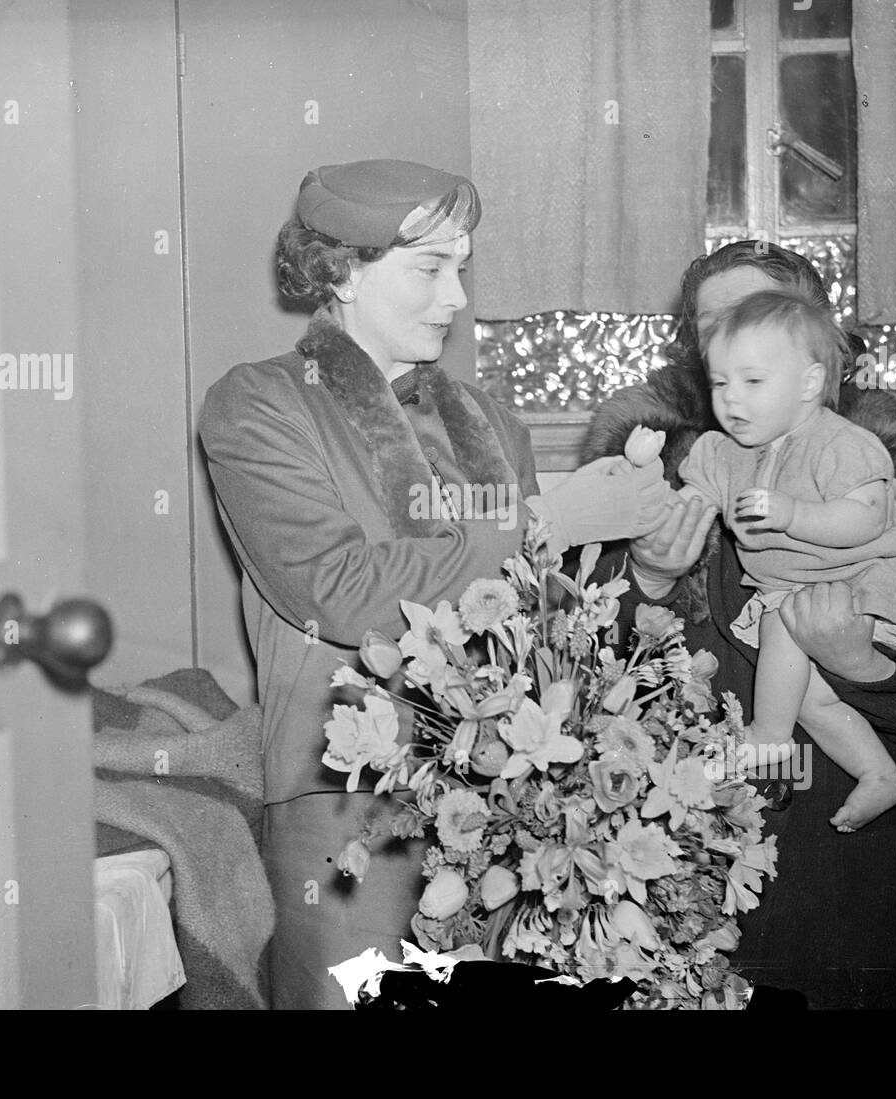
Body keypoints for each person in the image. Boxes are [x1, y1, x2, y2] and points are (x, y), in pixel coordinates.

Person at [199, 159, 669, 1009]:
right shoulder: (257, 405)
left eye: (462, 268)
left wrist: (647, 563)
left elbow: (545, 625)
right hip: (344, 807)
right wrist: (545, 521)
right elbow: (336, 589)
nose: (456, 299)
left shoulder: (487, 418)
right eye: (428, 269)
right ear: (340, 269)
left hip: (506, 807)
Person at [580, 240, 896, 1009]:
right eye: (712, 324)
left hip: (847, 870)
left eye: (758, 313)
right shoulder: (654, 471)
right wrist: (649, 576)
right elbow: (587, 667)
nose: (734, 335)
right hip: (686, 859)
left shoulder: (882, 470)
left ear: (817, 348)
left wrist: (860, 661)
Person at [676, 284, 896, 832]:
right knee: (803, 693)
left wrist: (791, 514)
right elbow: (695, 495)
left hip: (877, 582)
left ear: (809, 383)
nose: (732, 398)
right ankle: (879, 773)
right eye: (720, 382)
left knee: (785, 627)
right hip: (809, 592)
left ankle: (767, 737)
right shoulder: (727, 450)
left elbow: (865, 518)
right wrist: (669, 512)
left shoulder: (841, 444)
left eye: (753, 381)